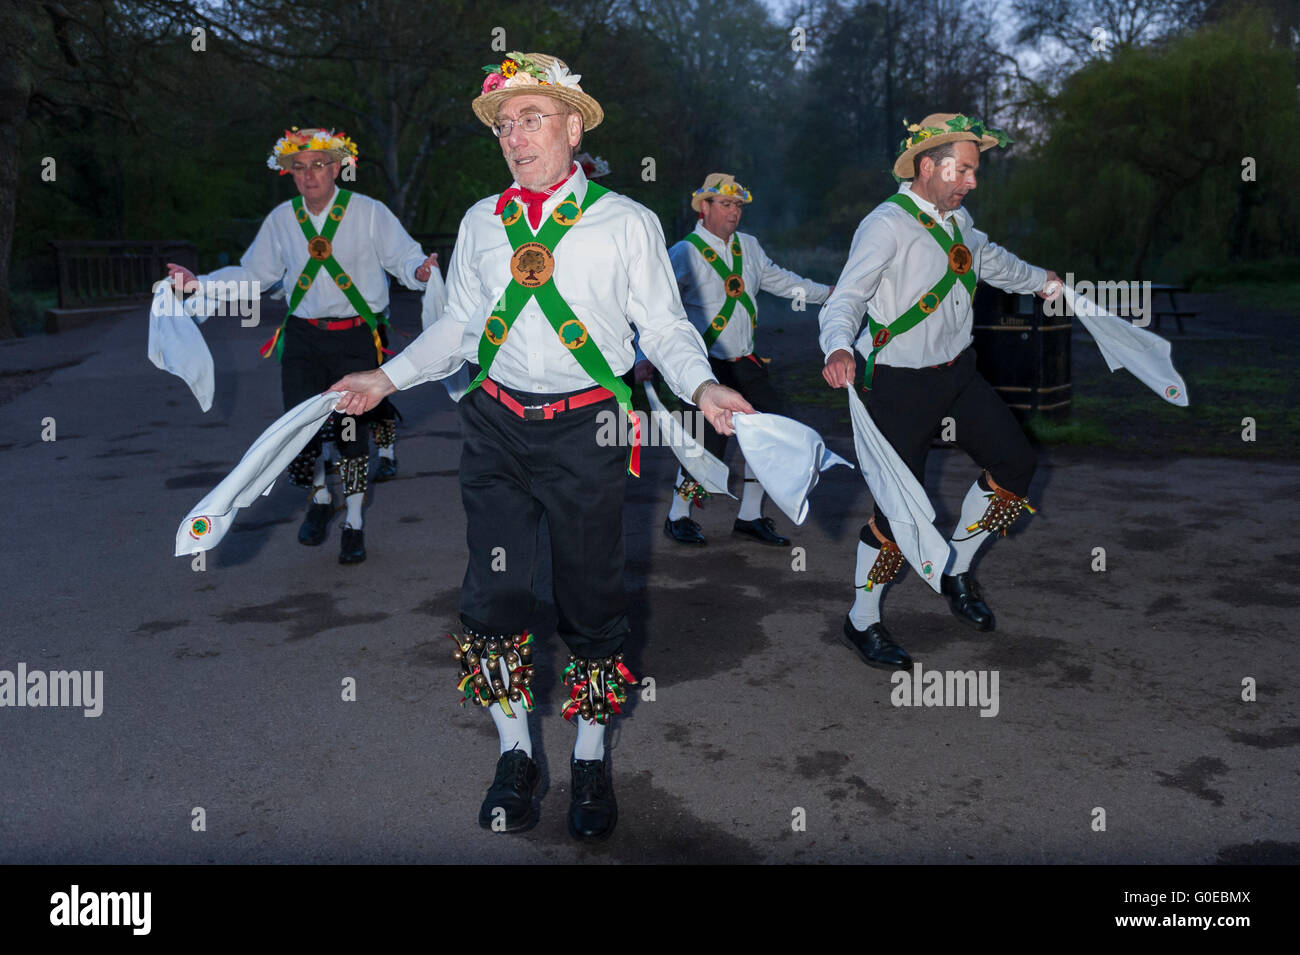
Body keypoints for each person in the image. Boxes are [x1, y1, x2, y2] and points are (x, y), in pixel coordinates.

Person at [327, 52, 751, 840]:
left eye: (533, 118)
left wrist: (701, 387)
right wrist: (387, 378)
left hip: (586, 428)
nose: (515, 137)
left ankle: (590, 754)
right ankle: (516, 753)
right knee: (495, 597)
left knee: (592, 598)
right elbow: (456, 326)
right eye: (505, 123)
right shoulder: (482, 222)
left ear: (574, 125)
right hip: (492, 425)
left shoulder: (627, 221)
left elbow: (662, 326)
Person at [819, 113, 1062, 669]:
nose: (972, 182)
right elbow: (847, 298)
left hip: (957, 374)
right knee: (895, 513)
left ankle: (956, 568)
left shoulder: (960, 220)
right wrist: (836, 346)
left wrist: (1042, 280)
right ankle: (862, 621)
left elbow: (991, 259)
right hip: (898, 385)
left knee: (1016, 463)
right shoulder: (884, 224)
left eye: (975, 171)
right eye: (964, 170)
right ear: (928, 165)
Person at [166, 128, 439, 564]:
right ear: (289, 173)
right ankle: (318, 498)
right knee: (299, 426)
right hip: (303, 337)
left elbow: (403, 257)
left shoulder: (369, 212)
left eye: (317, 165)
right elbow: (254, 274)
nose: (309, 175)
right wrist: (202, 284)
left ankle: (353, 520)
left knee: (353, 433)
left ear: (336, 168)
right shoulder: (281, 220)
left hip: (355, 337)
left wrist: (419, 272)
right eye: (299, 168)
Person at [649, 173, 832, 547]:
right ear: (705, 208)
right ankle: (677, 516)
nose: (734, 212)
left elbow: (783, 282)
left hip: (746, 361)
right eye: (726, 204)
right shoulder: (682, 253)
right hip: (705, 366)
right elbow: (655, 310)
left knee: (771, 432)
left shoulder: (749, 246)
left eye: (738, 206)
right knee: (705, 447)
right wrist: (644, 356)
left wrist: (830, 293)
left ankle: (749, 516)